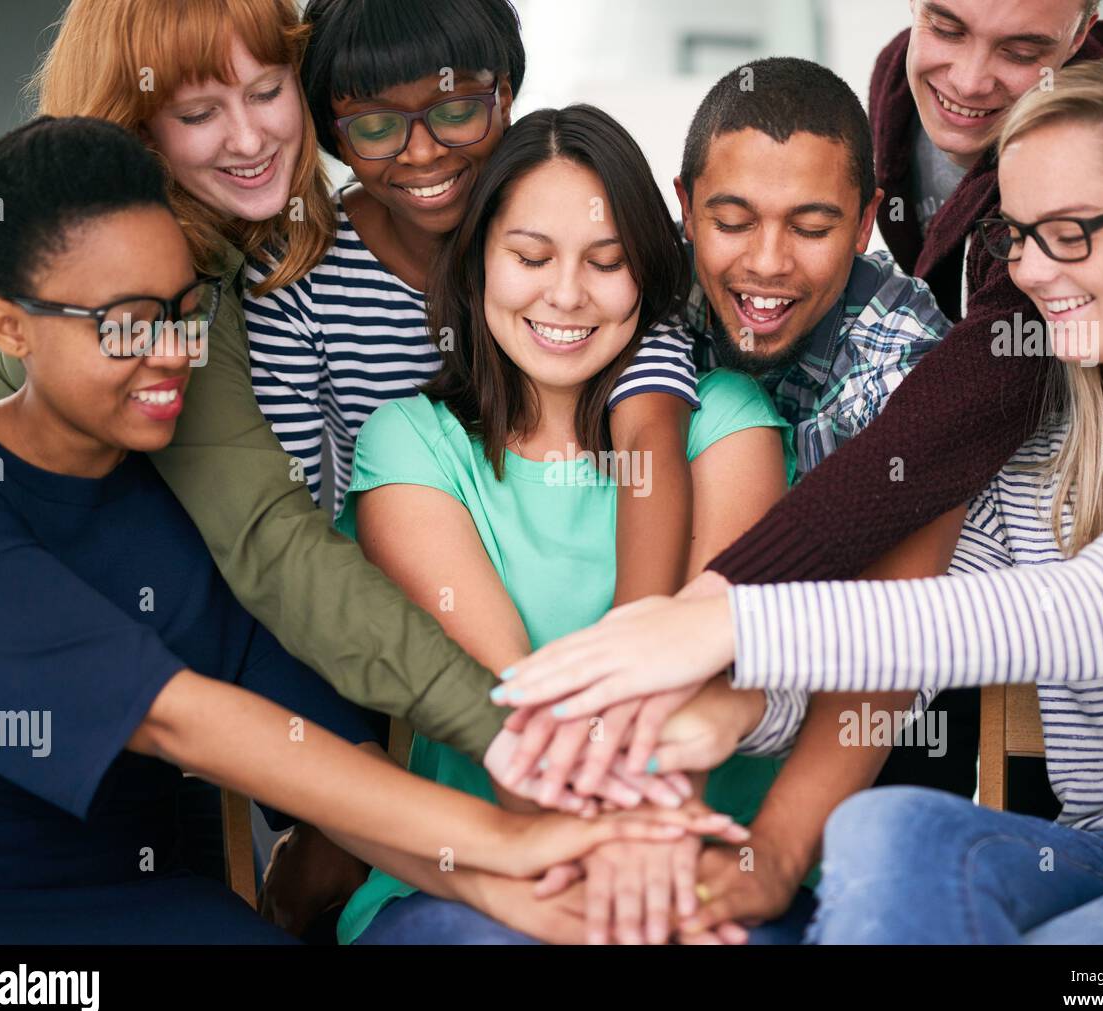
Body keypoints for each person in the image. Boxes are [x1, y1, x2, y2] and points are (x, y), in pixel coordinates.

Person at [494, 57, 1103, 944]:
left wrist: (719, 623)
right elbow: (905, 634)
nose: (1037, 274)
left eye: (1073, 234)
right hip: (1094, 854)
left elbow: (1090, 613)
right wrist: (722, 712)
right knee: (882, 828)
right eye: (1020, 238)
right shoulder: (1041, 447)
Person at [0, 116, 735, 944]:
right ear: (8, 327)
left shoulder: (194, 516)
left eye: (186, 312)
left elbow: (336, 773)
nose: (174, 350)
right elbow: (174, 716)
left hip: (155, 910)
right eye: (129, 322)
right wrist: (514, 835)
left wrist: (513, 891)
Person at [335, 104, 798, 944]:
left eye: (607, 262)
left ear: (648, 275)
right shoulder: (410, 444)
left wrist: (646, 864)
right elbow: (515, 701)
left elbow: (685, 672)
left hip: (696, 872)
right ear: (476, 265)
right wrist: (599, 855)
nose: (566, 295)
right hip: (481, 885)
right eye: (529, 257)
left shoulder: (728, 423)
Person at [246, 0, 700, 609]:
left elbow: (651, 415)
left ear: (504, 97)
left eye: (456, 112)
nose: (424, 153)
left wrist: (633, 637)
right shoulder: (296, 274)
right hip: (394, 606)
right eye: (377, 128)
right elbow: (296, 516)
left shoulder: (593, 221)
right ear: (333, 134)